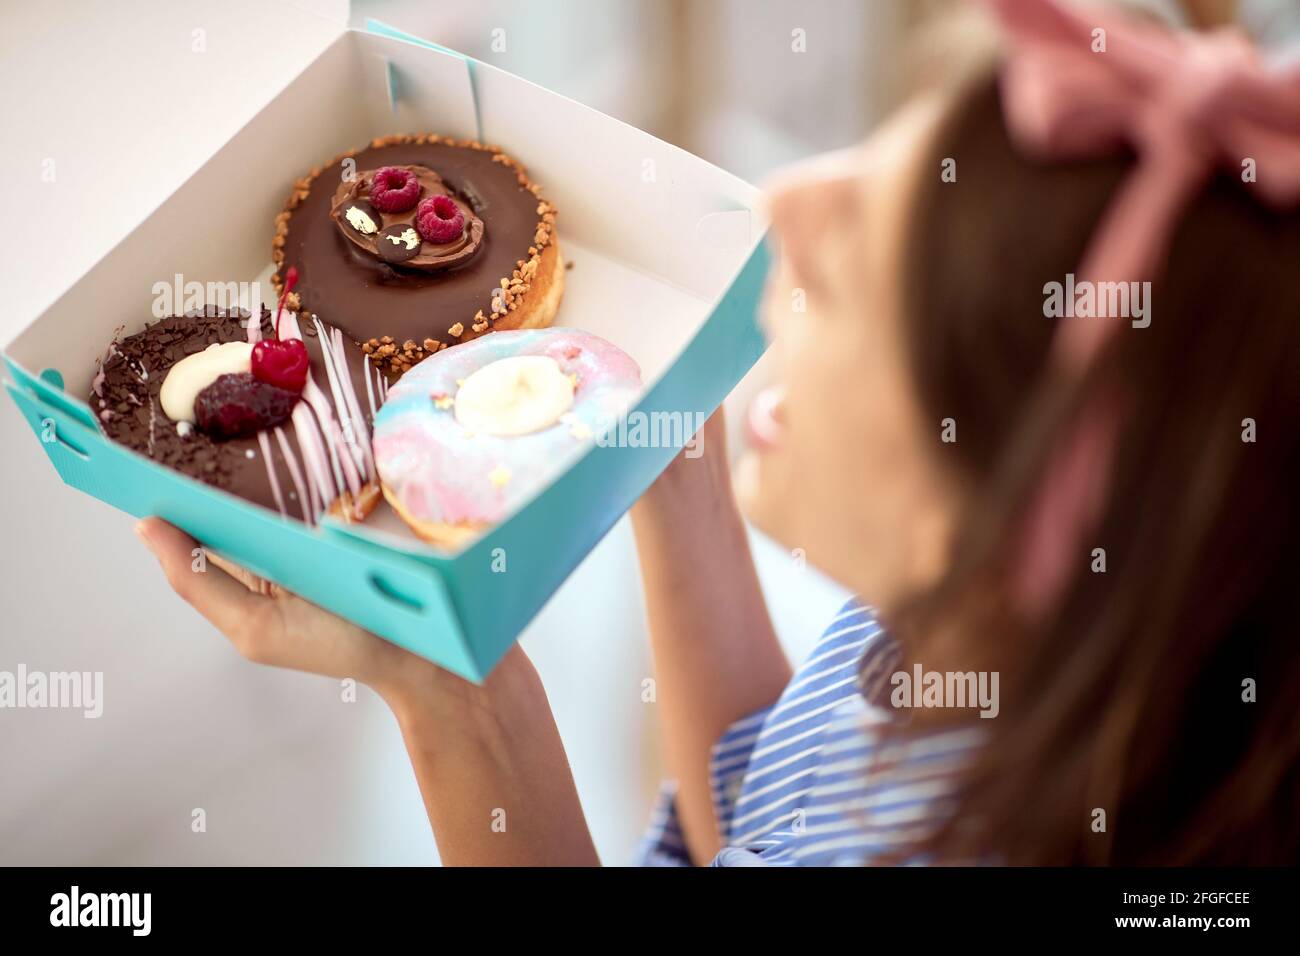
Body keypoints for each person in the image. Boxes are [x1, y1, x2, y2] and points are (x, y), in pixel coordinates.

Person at [136, 0, 1300, 865]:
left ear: (1008, 506)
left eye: (845, 280)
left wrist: (445, 699)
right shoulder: (980, 649)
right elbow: (751, 806)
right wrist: (663, 468)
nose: (774, 204)